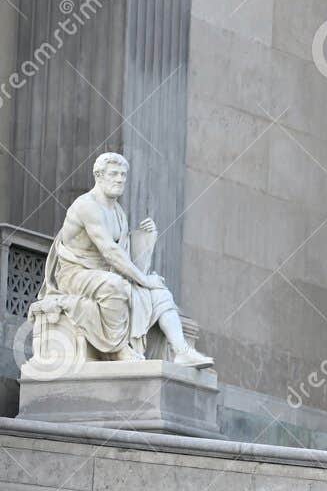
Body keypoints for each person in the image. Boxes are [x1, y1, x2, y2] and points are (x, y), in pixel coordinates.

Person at [41, 152, 213, 369]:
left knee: (159, 292)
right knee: (116, 285)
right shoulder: (86, 206)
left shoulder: (118, 212)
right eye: (114, 174)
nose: (120, 179)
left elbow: (124, 253)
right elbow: (110, 252)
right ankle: (117, 349)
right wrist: (143, 279)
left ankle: (182, 351)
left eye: (123, 175)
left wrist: (145, 237)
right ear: (99, 176)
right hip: (74, 275)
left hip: (103, 274)